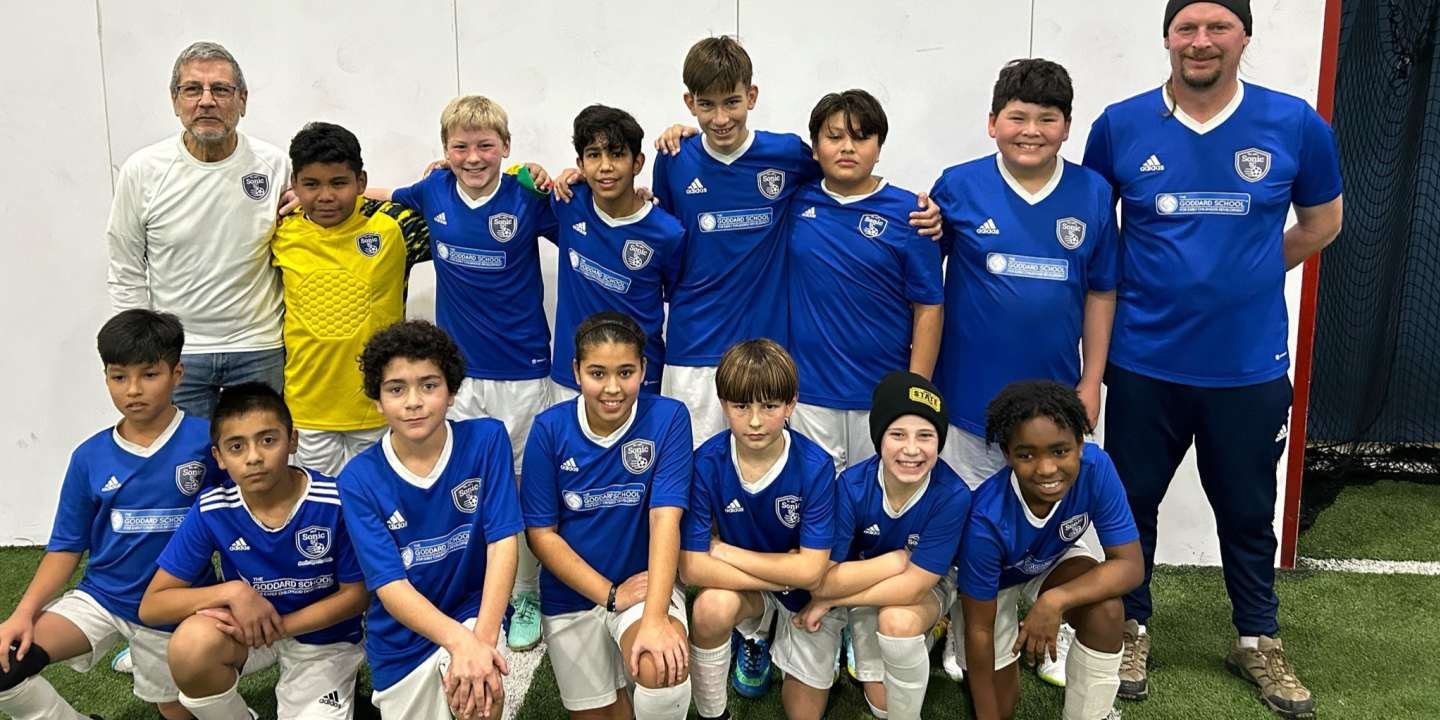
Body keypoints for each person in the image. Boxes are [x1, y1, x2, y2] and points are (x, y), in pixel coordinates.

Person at [1081, 1, 1344, 715]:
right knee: (1131, 505)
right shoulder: (1120, 125)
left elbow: (1322, 223)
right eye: (1187, 28)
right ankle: (1131, 628)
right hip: (1143, 362)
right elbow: (1094, 231)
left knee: (1248, 510)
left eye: (1218, 27)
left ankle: (1256, 638)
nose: (1201, 42)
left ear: (1243, 36)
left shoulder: (1295, 124)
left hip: (1248, 367)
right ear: (1167, 37)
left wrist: (1249, 272)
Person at [928, 57, 1119, 685]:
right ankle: (965, 630)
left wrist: (1091, 380)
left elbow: (1101, 291)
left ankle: (1046, 623)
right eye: (1017, 117)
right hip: (967, 401)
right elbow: (921, 282)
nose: (1031, 130)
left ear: (1067, 127)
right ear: (992, 123)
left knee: (1045, 518)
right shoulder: (957, 186)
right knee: (969, 528)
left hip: (1053, 409)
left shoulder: (1092, 193)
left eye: (1047, 118)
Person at [652, 36, 944, 448]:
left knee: (772, 473)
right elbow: (658, 229)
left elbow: (846, 176)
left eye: (732, 102)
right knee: (696, 471)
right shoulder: (674, 158)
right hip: (693, 349)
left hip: (771, 355)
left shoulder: (788, 155)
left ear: (751, 96)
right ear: (689, 103)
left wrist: (931, 212)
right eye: (707, 105)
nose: (720, 118)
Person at [372, 95, 557, 654]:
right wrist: (303, 199)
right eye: (460, 147)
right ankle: (474, 585)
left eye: (484, 146)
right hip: (457, 375)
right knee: (464, 485)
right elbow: (383, 196)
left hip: (522, 370)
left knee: (520, 486)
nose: (473, 157)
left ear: (506, 147)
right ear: (444, 150)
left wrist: (553, 175)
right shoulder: (433, 190)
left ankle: (525, 592)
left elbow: (586, 215)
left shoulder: (528, 195)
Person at [0, 310, 220, 720]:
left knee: (176, 710)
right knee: (4, 666)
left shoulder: (209, 441)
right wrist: (22, 614)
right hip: (101, 599)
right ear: (106, 378)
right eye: (119, 377)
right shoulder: (89, 457)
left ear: (177, 373)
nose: (133, 389)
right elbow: (65, 548)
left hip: (174, 609)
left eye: (149, 375)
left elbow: (241, 521)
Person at [139, 382, 368, 719]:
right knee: (191, 646)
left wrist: (282, 626)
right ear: (219, 457)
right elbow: (152, 606)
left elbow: (357, 596)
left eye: (268, 440)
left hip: (325, 640)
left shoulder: (335, 501)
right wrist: (233, 592)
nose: (254, 457)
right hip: (248, 632)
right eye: (236, 446)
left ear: (292, 440)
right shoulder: (214, 507)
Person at [337, 320, 522, 719]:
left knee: (479, 700)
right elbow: (390, 586)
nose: (413, 402)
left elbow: (502, 543)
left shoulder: (487, 441)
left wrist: (481, 641)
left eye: (428, 385)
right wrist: (460, 643)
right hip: (402, 639)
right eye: (396, 389)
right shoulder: (358, 479)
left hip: (474, 613)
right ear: (377, 400)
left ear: (451, 392)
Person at [521, 312, 693, 720]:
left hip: (645, 588)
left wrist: (655, 617)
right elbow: (541, 535)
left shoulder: (669, 418)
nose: (613, 388)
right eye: (598, 373)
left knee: (660, 665)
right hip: (573, 597)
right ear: (576, 371)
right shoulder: (548, 430)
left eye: (625, 372)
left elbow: (665, 520)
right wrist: (609, 594)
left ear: (644, 370)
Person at [106, 41, 289, 419]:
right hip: (177, 354)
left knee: (257, 455)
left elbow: (322, 214)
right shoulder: (143, 171)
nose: (206, 101)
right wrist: (141, 349)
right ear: (175, 101)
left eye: (220, 89)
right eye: (192, 89)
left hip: (258, 347)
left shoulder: (275, 166)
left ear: (242, 100)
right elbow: (125, 267)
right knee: (185, 457)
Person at [957, 381, 1142, 720]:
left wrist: (1055, 600)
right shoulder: (986, 520)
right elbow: (979, 630)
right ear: (1007, 454)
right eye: (1027, 455)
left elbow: (1130, 566)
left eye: (1060, 451)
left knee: (1106, 611)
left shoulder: (1096, 469)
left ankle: (1090, 715)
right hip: (993, 583)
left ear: (1080, 444)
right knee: (999, 707)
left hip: (1052, 557)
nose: (1046, 469)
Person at [796, 371, 971, 720]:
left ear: (940, 441)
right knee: (864, 705)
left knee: (896, 623)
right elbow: (822, 579)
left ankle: (927, 630)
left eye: (925, 436)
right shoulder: (852, 485)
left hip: (924, 585)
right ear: (878, 438)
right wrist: (894, 561)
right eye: (897, 434)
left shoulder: (953, 494)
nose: (911, 449)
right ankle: (867, 633)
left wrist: (833, 600)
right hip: (869, 574)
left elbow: (915, 585)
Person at [786, 90, 945, 473]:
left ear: (879, 147)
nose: (847, 147)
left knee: (876, 502)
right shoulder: (793, 201)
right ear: (815, 148)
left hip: (881, 396)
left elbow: (929, 307)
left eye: (861, 137)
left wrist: (913, 394)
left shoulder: (911, 214)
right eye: (834, 136)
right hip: (809, 395)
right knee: (815, 500)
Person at [679, 339, 837, 719]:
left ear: (791, 404)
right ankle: (719, 704)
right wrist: (786, 574)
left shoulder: (815, 466)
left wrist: (725, 551)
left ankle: (802, 637)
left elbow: (812, 572)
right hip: (752, 590)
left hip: (806, 599)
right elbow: (692, 568)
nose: (754, 421)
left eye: (769, 406)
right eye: (741, 406)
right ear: (723, 404)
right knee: (709, 608)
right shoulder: (706, 463)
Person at [272, 121, 431, 477]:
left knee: (377, 499)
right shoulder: (280, 231)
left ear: (360, 182)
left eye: (339, 183)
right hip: (308, 408)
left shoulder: (395, 227)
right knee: (319, 503)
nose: (325, 196)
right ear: (294, 184)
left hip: (378, 404)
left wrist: (448, 170)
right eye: (311, 184)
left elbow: (458, 209)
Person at [547, 107, 686, 403]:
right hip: (572, 375)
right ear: (580, 164)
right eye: (594, 155)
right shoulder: (568, 202)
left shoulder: (668, 233)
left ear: (638, 162)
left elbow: (676, 294)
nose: (605, 166)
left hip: (638, 378)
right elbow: (511, 188)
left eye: (617, 154)